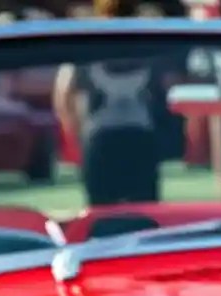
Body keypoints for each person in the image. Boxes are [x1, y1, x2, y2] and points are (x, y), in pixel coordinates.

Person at [53, 0, 166, 206]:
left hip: (102, 138)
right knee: (144, 211)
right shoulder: (148, 48)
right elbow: (164, 89)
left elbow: (63, 93)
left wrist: (75, 131)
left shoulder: (86, 49)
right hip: (139, 136)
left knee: (102, 213)